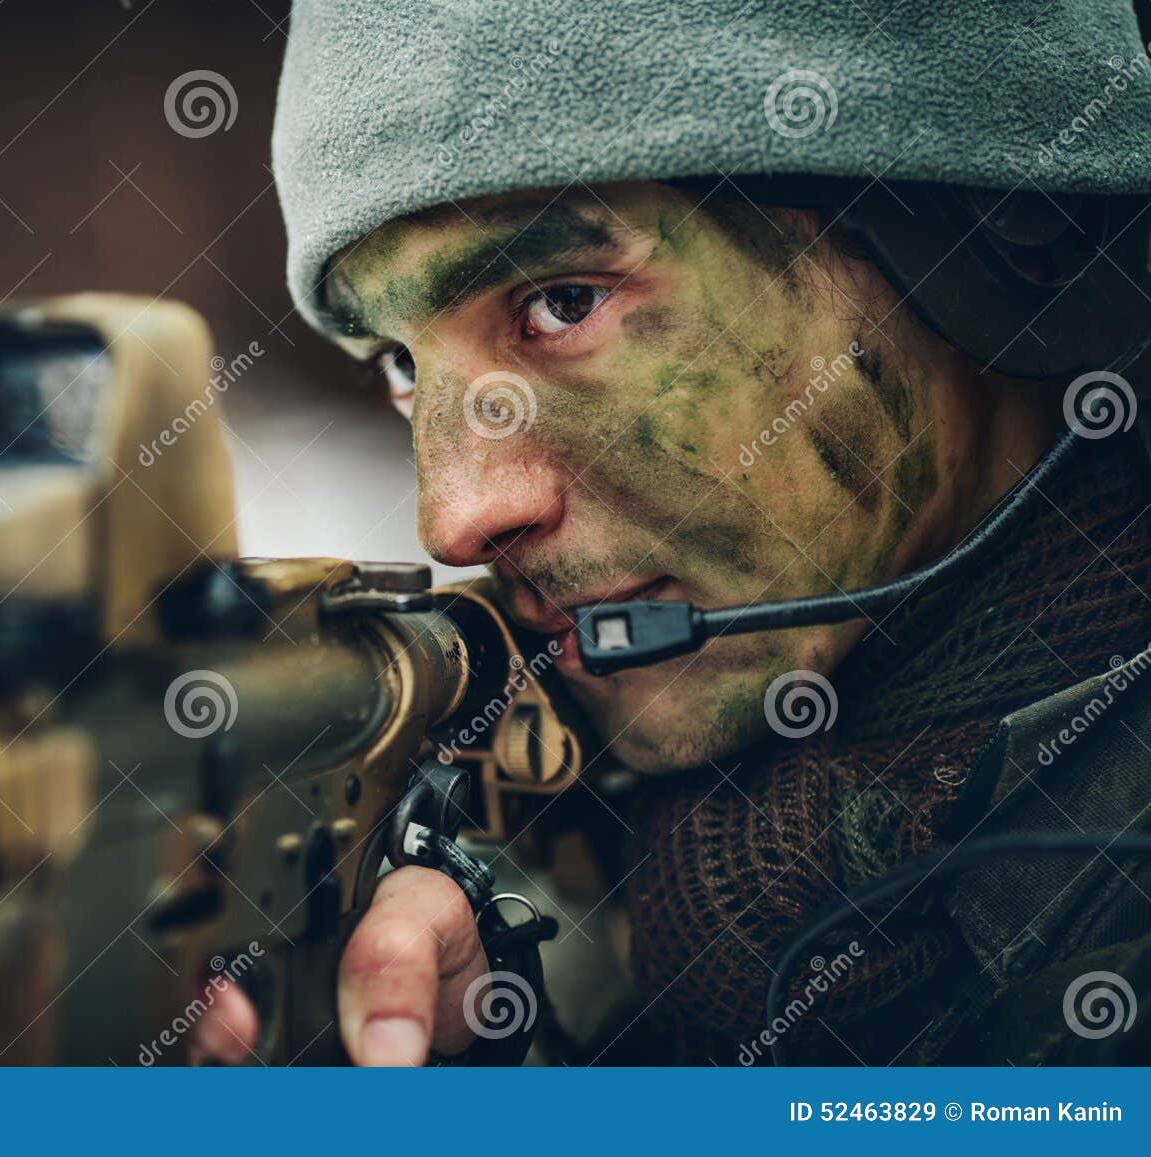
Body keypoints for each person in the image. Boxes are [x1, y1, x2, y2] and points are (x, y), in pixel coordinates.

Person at [198, 0, 1151, 1065]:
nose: (455, 516)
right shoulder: (520, 899)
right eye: (402, 365)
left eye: (562, 301)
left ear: (979, 246)